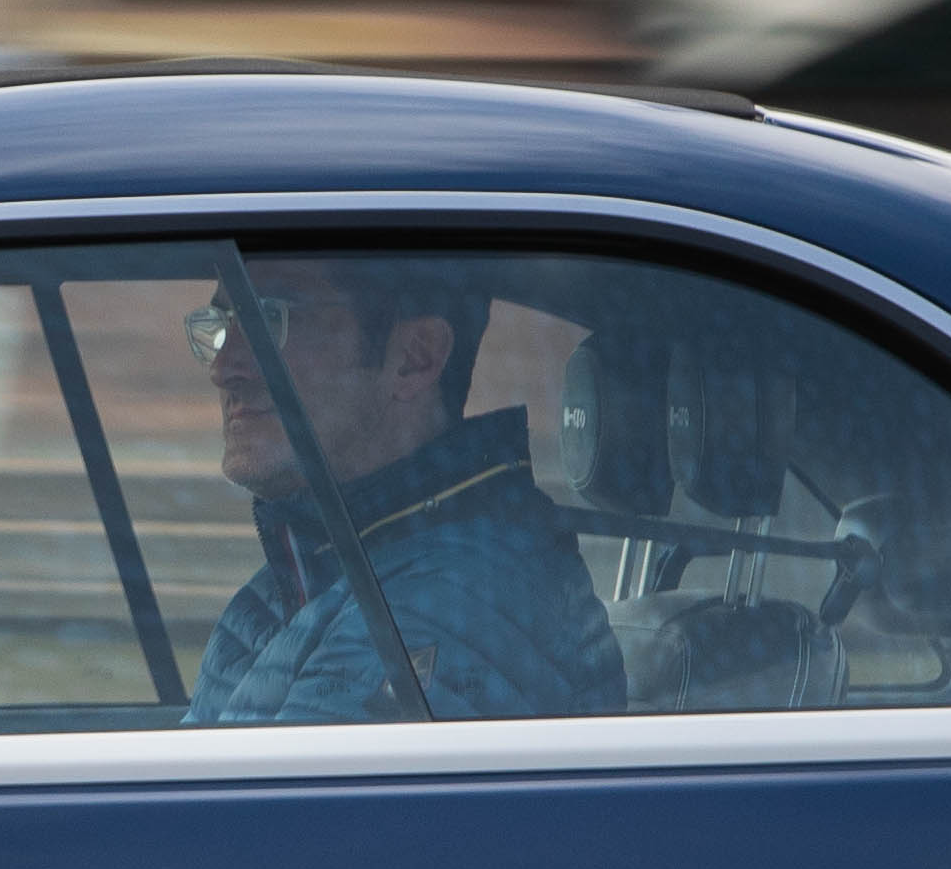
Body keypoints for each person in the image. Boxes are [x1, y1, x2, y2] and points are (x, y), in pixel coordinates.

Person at [182, 258, 623, 724]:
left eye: (269, 319)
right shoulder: (302, 579)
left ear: (415, 358)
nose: (224, 367)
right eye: (223, 324)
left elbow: (292, 797)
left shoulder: (454, 605)